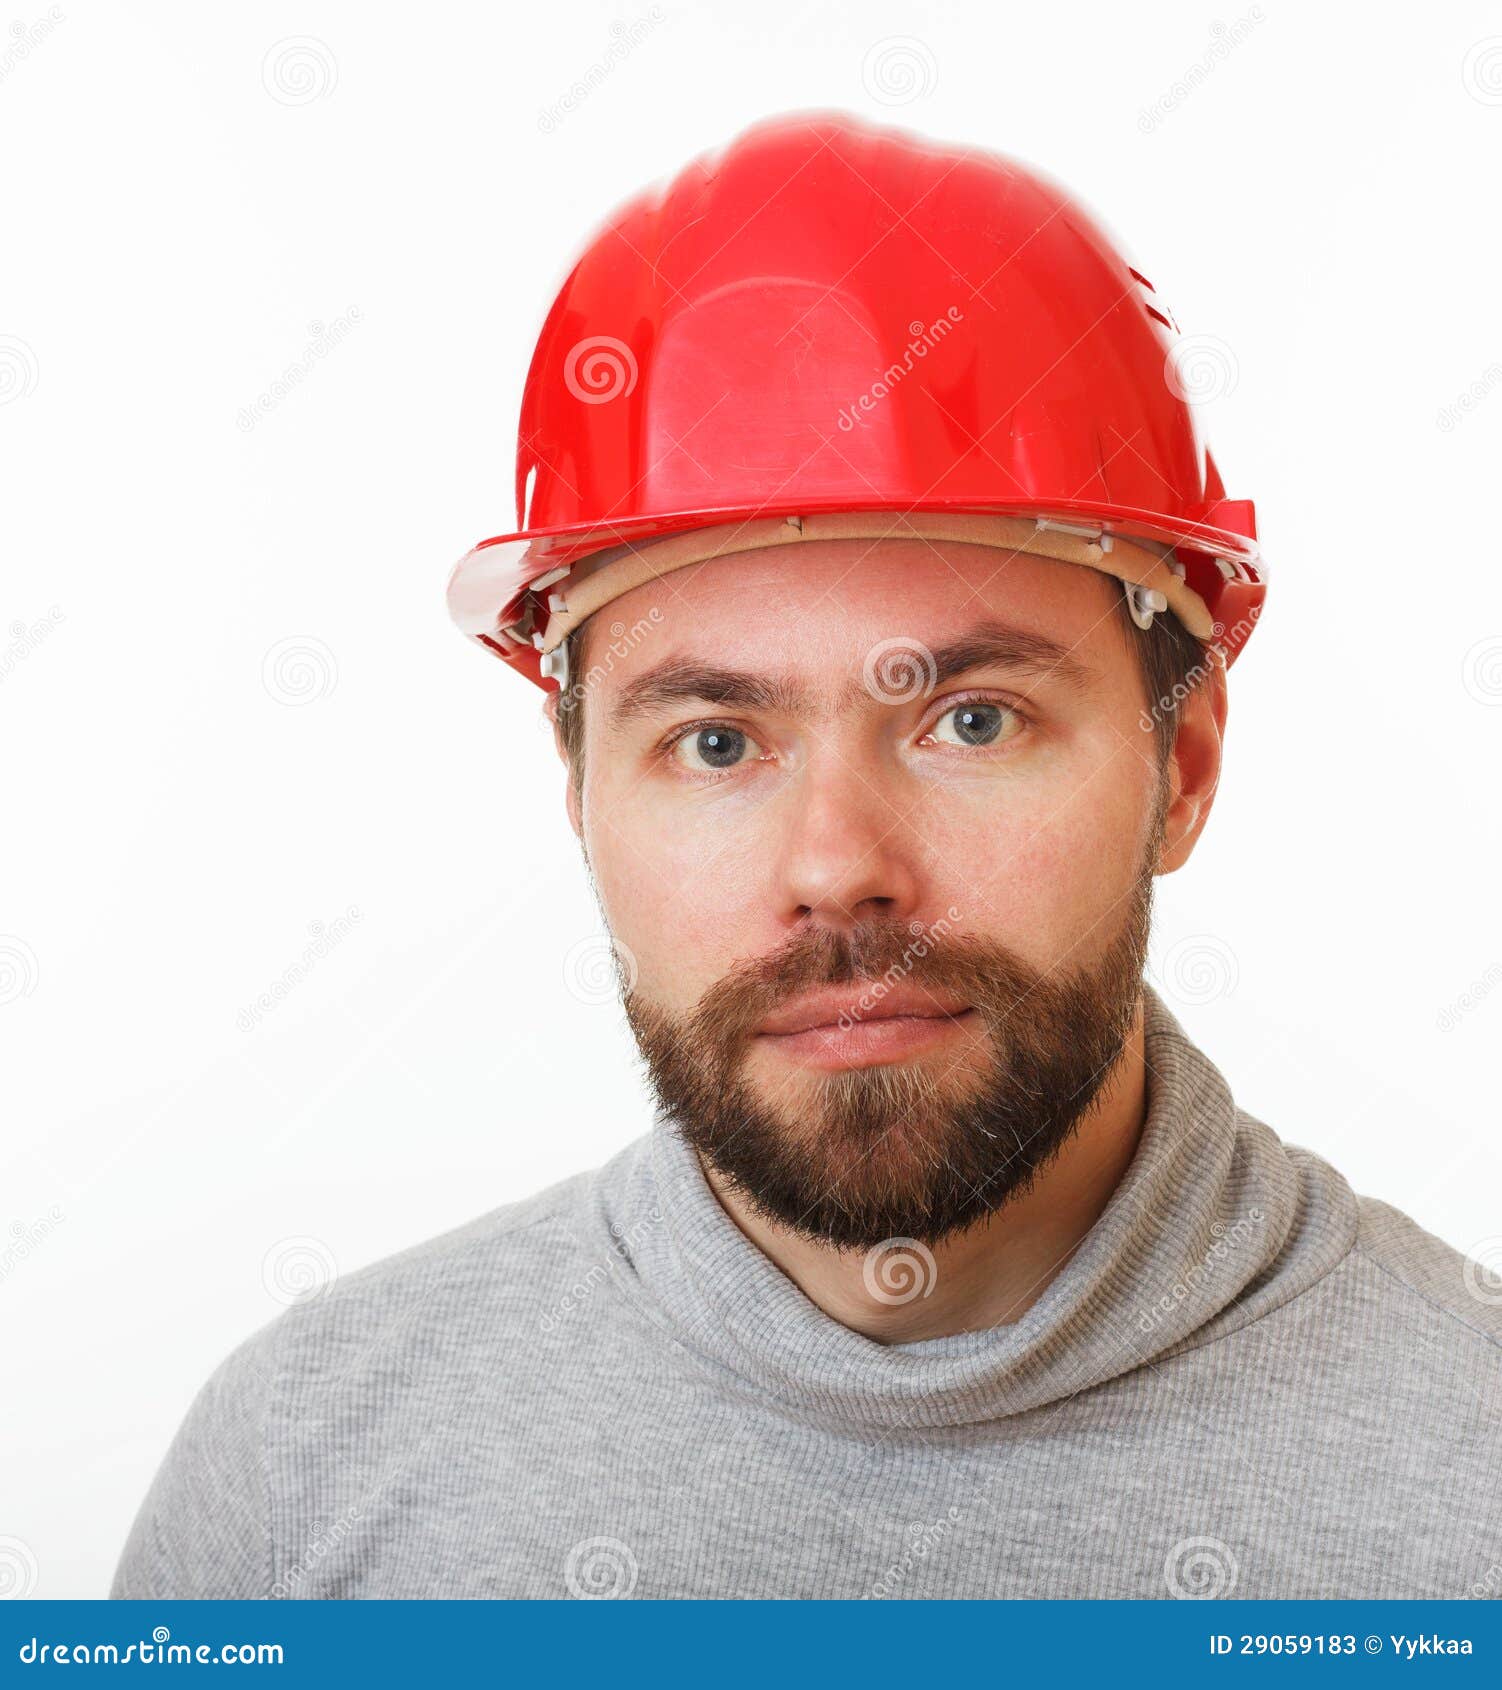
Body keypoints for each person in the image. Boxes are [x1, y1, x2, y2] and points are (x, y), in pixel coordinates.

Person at [112, 112, 1500, 1602]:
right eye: (715, 740)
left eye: (972, 719)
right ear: (581, 795)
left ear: (1185, 762)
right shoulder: (303, 1471)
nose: (838, 868)